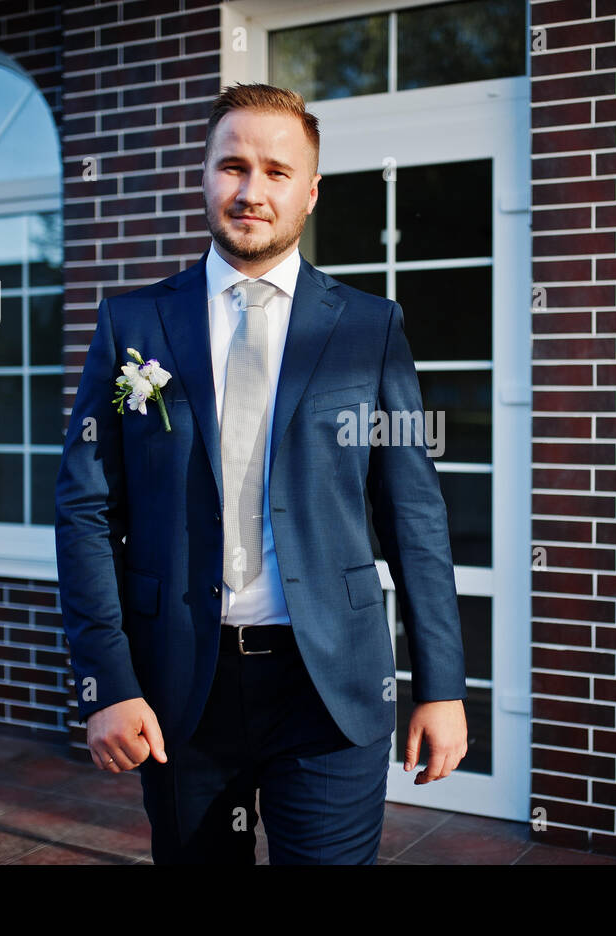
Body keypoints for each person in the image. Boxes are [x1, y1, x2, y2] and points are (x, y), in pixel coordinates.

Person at [55, 83, 468, 864]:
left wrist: (440, 684)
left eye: (277, 171)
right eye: (233, 166)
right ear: (204, 176)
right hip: (179, 688)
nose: (252, 191)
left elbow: (414, 514)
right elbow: (83, 511)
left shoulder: (371, 328)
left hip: (331, 690)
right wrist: (106, 679)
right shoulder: (132, 324)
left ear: (310, 192)